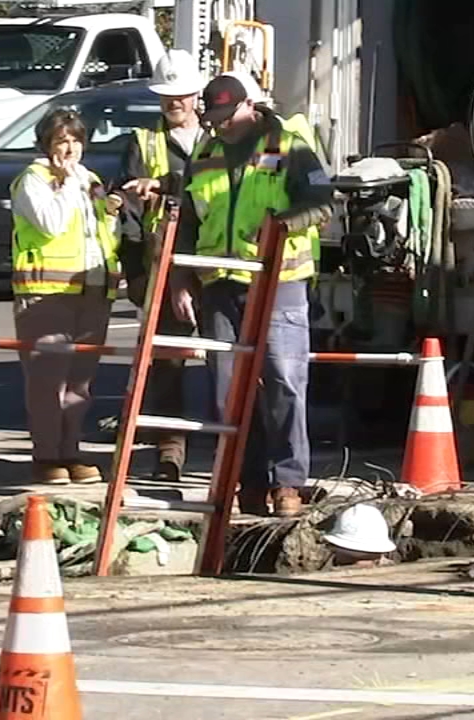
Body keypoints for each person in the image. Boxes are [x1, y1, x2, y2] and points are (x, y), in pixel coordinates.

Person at [171, 72, 333, 517]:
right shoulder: (205, 152)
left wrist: (282, 225)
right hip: (219, 283)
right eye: (214, 119)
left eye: (226, 117)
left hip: (278, 280)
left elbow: (324, 201)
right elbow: (187, 222)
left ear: (247, 106)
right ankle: (247, 482)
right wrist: (181, 279)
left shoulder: (288, 145)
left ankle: (288, 483)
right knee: (228, 391)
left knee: (283, 381)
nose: (220, 127)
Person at [10, 108, 122, 485]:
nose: (70, 148)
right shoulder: (35, 179)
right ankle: (46, 455)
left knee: (80, 383)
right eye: (62, 140)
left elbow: (101, 233)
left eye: (76, 140)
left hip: (92, 289)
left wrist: (111, 211)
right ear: (46, 144)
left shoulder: (88, 178)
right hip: (46, 291)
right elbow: (51, 223)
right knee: (47, 381)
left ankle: (71, 450)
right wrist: (66, 183)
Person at [114, 49, 207, 483]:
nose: (174, 103)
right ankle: (169, 454)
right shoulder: (143, 142)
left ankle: (237, 453)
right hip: (165, 264)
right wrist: (136, 273)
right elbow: (129, 210)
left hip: (217, 260)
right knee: (167, 365)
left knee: (234, 364)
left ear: (196, 94)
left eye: (181, 95)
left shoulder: (219, 140)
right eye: (166, 96)